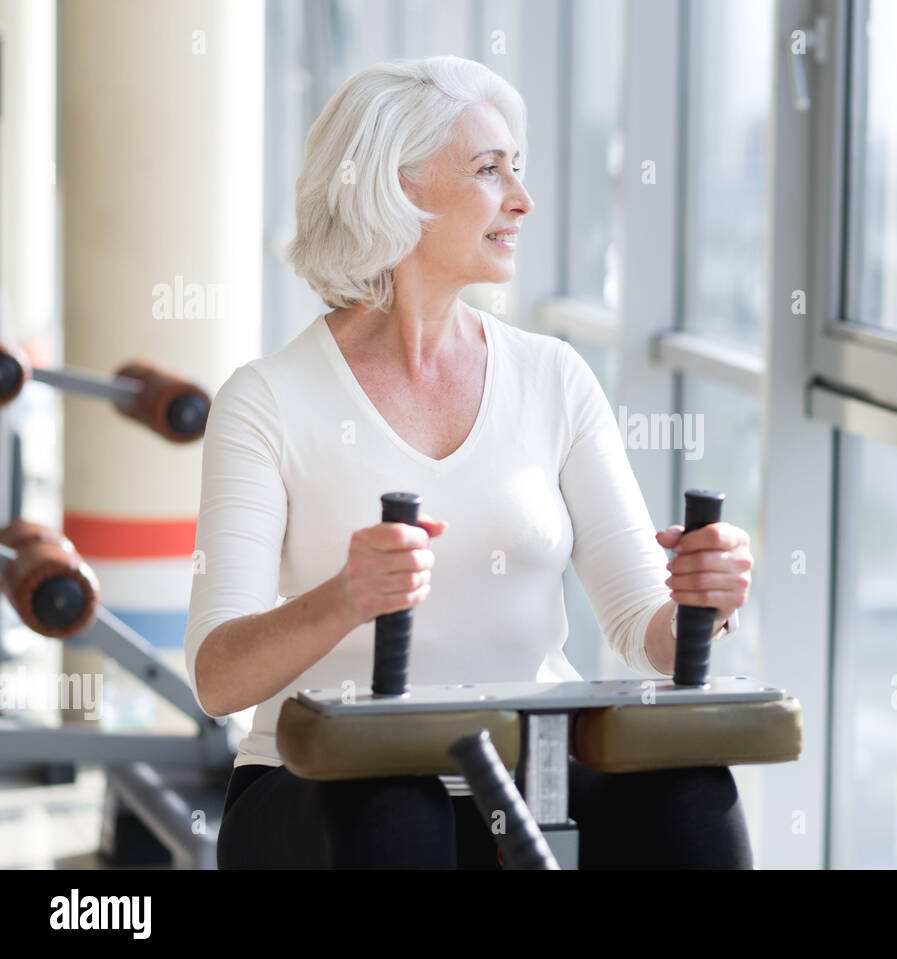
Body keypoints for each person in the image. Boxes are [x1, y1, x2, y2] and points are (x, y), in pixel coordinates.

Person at [183, 55, 754, 869]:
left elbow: (645, 632)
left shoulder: (554, 376)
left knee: (692, 791)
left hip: (528, 773)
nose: (521, 199)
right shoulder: (266, 399)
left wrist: (706, 595)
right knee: (398, 804)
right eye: (489, 171)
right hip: (319, 780)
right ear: (396, 187)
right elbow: (218, 677)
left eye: (516, 170)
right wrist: (346, 597)